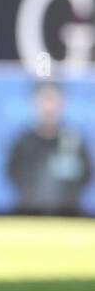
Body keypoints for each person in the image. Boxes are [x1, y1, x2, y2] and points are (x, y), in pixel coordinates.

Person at [7, 81, 92, 214]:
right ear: (35, 103)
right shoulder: (24, 142)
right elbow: (12, 174)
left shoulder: (75, 140)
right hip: (29, 215)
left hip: (69, 216)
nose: (49, 108)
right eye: (44, 100)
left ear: (62, 104)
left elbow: (86, 176)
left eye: (53, 101)